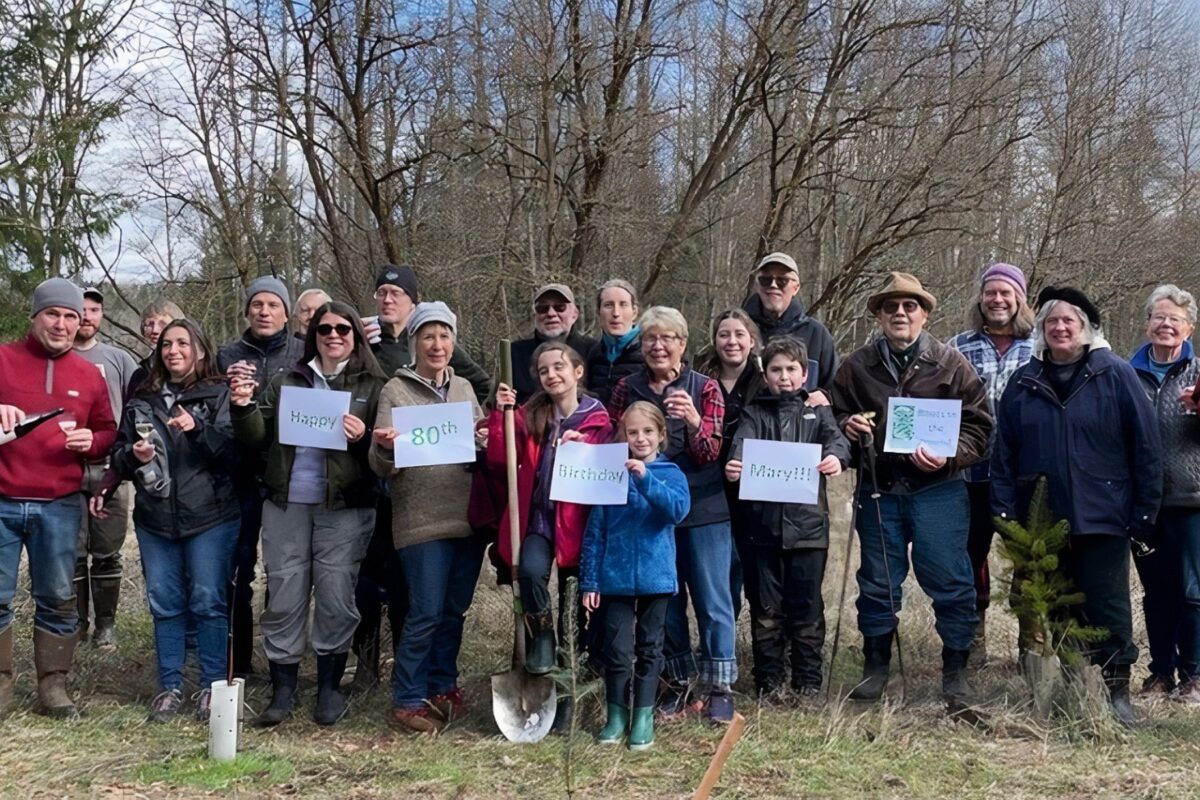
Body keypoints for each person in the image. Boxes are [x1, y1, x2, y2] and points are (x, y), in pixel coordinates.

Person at [992, 286, 1162, 726]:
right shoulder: (1024, 382)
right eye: (1052, 322)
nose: (1061, 327)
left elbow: (1146, 447)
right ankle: (1069, 687)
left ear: (1086, 329)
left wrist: (1144, 513)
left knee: (1108, 607)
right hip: (1041, 519)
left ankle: (1117, 691)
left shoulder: (1115, 374)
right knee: (1055, 607)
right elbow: (1004, 452)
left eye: (1070, 321)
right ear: (1043, 331)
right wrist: (1007, 512)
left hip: (1103, 515)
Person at [830, 272, 991, 711]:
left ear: (924, 313)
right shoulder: (856, 366)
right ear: (879, 315)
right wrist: (847, 425)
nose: (900, 313)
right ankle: (875, 670)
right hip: (880, 490)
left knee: (952, 582)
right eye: (891, 307)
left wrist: (949, 456)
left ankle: (955, 673)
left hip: (939, 491)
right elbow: (835, 414)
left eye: (909, 306)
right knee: (878, 582)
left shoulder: (951, 363)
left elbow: (980, 427)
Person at [231, 302, 385, 726]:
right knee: (284, 590)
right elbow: (256, 434)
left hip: (346, 506)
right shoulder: (287, 381)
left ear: (355, 335)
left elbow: (385, 453)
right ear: (312, 335)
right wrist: (243, 406)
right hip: (287, 501)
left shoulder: (374, 384)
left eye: (342, 329)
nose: (333, 336)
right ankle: (283, 689)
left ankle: (329, 688)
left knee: (336, 593)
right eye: (324, 329)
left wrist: (365, 437)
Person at [91, 319, 239, 722]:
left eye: (183, 343)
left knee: (208, 601)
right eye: (167, 345)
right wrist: (128, 461)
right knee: (165, 603)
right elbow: (120, 454)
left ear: (201, 350)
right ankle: (169, 686)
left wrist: (198, 429)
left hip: (210, 517)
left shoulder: (219, 393)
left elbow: (233, 456)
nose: (173, 350)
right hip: (156, 518)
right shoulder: (143, 397)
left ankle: (212, 690)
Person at [351, 265, 490, 692]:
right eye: (428, 336)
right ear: (414, 342)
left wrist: (484, 438)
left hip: (465, 520)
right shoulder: (396, 390)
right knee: (424, 611)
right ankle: (408, 695)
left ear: (453, 342)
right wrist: (386, 447)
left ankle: (443, 687)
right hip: (420, 523)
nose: (437, 344)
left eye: (444, 336)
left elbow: (478, 445)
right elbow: (380, 464)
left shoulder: (465, 389)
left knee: (453, 611)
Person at [608, 306, 737, 724]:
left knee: (713, 600)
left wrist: (696, 421)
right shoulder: (627, 389)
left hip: (703, 508)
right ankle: (677, 682)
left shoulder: (706, 387)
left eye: (667, 339)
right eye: (649, 339)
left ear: (683, 344)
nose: (658, 346)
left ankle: (719, 687)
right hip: (650, 512)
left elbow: (711, 453)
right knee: (666, 598)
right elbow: (613, 446)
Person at [0, 278, 117, 718]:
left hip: (59, 503)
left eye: (72, 316)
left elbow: (108, 432)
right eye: (54, 314)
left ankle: (54, 686)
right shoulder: (3, 359)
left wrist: (92, 440)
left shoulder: (89, 375)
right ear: (35, 317)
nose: (63, 324)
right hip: (3, 497)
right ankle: (2, 684)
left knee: (57, 595)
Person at [486, 342, 612, 731]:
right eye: (543, 370)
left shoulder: (598, 419)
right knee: (530, 572)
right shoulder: (530, 414)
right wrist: (501, 413)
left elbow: (610, 461)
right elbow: (498, 456)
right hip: (539, 521)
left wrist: (587, 447)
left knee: (574, 613)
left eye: (559, 367)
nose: (551, 375)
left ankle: (569, 702)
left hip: (578, 527)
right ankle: (542, 636)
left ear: (577, 372)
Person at [725, 337, 850, 698]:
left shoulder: (817, 413)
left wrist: (836, 460)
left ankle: (808, 681)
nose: (784, 377)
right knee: (765, 608)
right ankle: (769, 681)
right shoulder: (753, 413)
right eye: (776, 370)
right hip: (761, 531)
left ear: (804, 373)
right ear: (765, 375)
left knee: (806, 607)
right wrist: (735, 467)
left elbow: (838, 443)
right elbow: (739, 450)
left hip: (809, 531)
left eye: (791, 369)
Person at [582, 401, 690, 751]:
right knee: (617, 650)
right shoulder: (611, 472)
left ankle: (643, 716)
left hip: (657, 579)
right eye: (632, 432)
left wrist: (645, 479)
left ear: (661, 435)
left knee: (650, 648)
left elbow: (676, 511)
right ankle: (616, 715)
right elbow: (595, 530)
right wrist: (590, 580)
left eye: (647, 432)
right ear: (623, 435)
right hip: (614, 579)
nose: (640, 439)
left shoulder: (671, 473)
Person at [218, 276, 306, 677]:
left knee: (281, 572)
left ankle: (280, 661)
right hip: (235, 478)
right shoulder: (225, 356)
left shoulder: (303, 355)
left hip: (285, 476)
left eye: (273, 305)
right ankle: (237, 662)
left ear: (287, 313)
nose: (264, 312)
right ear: (247, 311)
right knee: (237, 569)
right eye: (257, 305)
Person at [947, 264, 1035, 659]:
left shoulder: (1039, 347)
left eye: (1006, 293)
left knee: (1029, 559)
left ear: (1020, 299)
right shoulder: (957, 347)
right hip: (971, 473)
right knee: (970, 556)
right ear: (980, 299)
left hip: (1026, 475)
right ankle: (972, 639)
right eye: (990, 293)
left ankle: (1032, 643)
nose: (997, 300)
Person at [1130, 285, 1200, 704]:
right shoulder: (1124, 372)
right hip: (1144, 502)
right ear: (1147, 324)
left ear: (1188, 328)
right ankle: (1160, 671)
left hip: (1192, 499)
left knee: (1193, 590)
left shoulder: (1198, 373)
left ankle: (1194, 675)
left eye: (1175, 319)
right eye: (1159, 317)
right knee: (1156, 591)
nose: (1166, 324)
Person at [72, 286, 139, 648]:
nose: (87, 315)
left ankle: (106, 625)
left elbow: (138, 405)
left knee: (108, 550)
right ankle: (77, 624)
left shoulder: (119, 358)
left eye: (94, 309)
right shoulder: (58, 357)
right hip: (65, 469)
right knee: (72, 553)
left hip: (111, 467)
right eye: (80, 309)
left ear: (101, 315)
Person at [695, 308, 763, 621]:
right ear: (715, 341)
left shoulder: (766, 381)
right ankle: (723, 633)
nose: (731, 341)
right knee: (722, 564)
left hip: (755, 486)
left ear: (752, 340)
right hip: (710, 483)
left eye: (739, 334)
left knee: (750, 562)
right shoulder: (700, 381)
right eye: (724, 334)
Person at [369, 264, 491, 400]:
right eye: (381, 293)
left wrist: (458, 415)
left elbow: (484, 387)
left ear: (412, 301)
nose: (387, 300)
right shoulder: (363, 339)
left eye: (395, 293)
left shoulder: (432, 342)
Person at [742, 252, 838, 400]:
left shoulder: (817, 335)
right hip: (747, 420)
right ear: (757, 285)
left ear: (796, 287)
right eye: (765, 280)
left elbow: (835, 389)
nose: (773, 285)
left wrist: (827, 397)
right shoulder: (739, 332)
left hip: (801, 420)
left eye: (782, 280)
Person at [511, 284, 596, 403]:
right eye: (542, 308)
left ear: (575, 314)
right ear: (535, 316)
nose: (551, 313)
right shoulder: (514, 354)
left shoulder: (594, 351)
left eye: (560, 307)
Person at [586, 279, 644, 406]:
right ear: (598, 312)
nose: (616, 313)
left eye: (623, 305)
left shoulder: (648, 352)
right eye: (608, 305)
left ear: (634, 312)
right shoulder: (593, 354)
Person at [128, 299, 186, 396]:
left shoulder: (196, 367)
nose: (155, 330)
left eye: (162, 324)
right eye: (149, 324)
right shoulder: (142, 374)